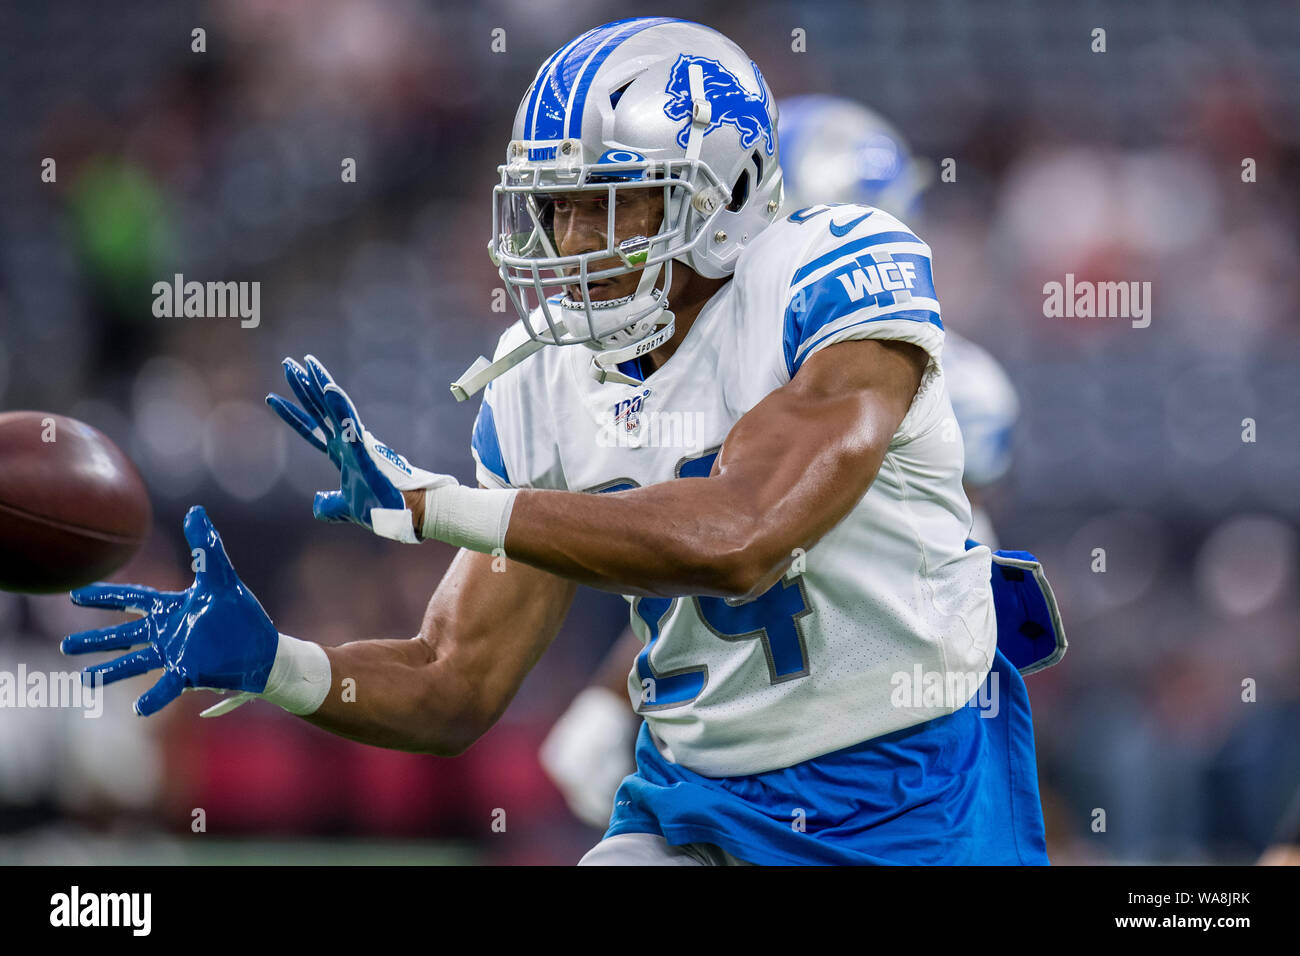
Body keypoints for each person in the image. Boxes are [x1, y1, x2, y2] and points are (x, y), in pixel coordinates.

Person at [62, 18, 1058, 865]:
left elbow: (742, 529)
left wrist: (435, 504)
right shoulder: (541, 378)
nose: (577, 242)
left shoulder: (833, 277)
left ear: (728, 194)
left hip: (919, 789)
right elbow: (454, 679)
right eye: (559, 205)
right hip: (700, 799)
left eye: (616, 202)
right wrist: (281, 662)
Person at [542, 92, 1027, 834]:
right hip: (762, 724)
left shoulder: (945, 384)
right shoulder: (715, 360)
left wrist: (611, 698)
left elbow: (834, 560)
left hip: (891, 727)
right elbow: (708, 563)